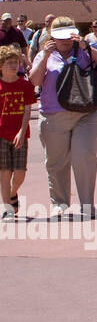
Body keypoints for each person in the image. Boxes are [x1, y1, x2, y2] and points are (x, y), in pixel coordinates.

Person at [28, 17, 97, 216]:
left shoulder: (83, 51)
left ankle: (87, 205)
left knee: (84, 157)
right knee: (56, 162)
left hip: (85, 113)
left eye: (68, 37)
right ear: (52, 36)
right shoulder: (44, 54)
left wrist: (85, 46)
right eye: (60, 37)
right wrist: (46, 56)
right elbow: (35, 81)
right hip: (53, 115)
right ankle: (60, 204)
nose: (65, 41)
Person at [0, 45, 38, 219]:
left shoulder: (25, 85)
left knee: (20, 173)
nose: (14, 66)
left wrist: (22, 132)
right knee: (5, 172)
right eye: (9, 63)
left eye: (16, 62)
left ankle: (13, 193)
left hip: (19, 134)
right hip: (1, 134)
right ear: (1, 65)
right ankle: (7, 207)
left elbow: (27, 110)